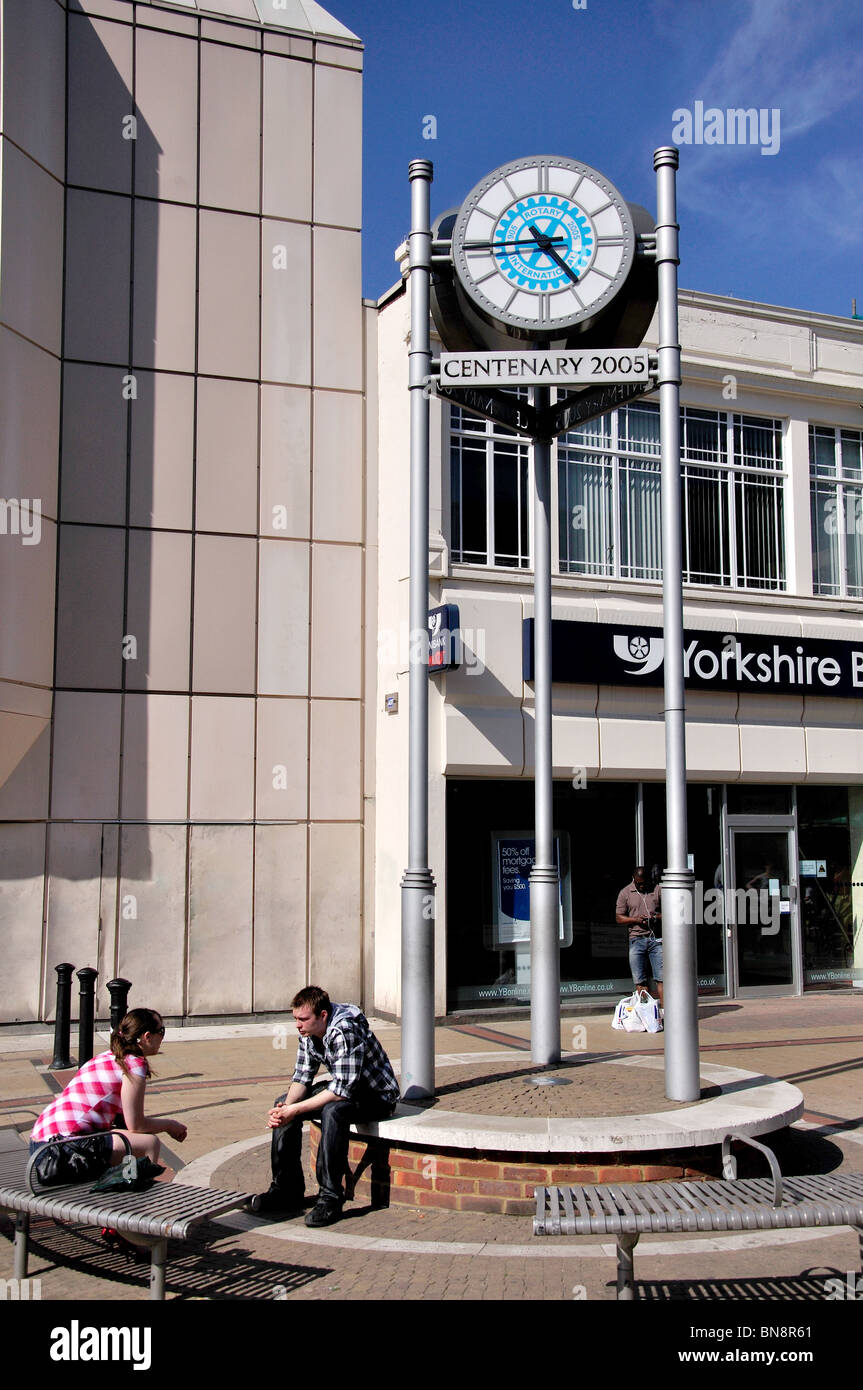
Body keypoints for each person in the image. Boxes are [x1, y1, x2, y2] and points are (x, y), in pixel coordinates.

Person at [253, 985, 400, 1228]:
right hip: (349, 1089)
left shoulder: (345, 1031)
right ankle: (286, 1189)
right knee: (283, 1101)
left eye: (303, 1019)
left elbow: (342, 1091)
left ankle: (330, 1197)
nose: (298, 1025)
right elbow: (302, 1077)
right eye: (295, 1019)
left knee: (334, 1112)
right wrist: (285, 1110)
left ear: (322, 1016)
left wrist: (295, 1110)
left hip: (377, 1097)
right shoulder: (309, 1034)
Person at [29, 1007, 187, 1175]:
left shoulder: (109, 1056)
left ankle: (123, 1193)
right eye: (161, 1031)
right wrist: (170, 1125)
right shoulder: (134, 1064)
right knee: (149, 1144)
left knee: (128, 1138)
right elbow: (137, 1125)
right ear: (147, 1037)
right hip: (59, 1151)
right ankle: (141, 1200)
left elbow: (123, 1124)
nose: (162, 1037)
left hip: (40, 1144)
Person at [615, 865, 664, 1009]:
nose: (641, 886)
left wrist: (657, 916)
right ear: (633, 879)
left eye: (644, 883)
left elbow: (670, 912)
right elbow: (619, 918)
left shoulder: (657, 890)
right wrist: (636, 920)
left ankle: (666, 1013)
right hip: (636, 939)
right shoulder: (625, 893)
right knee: (640, 981)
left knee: (662, 979)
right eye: (638, 883)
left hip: (656, 939)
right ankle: (646, 1014)